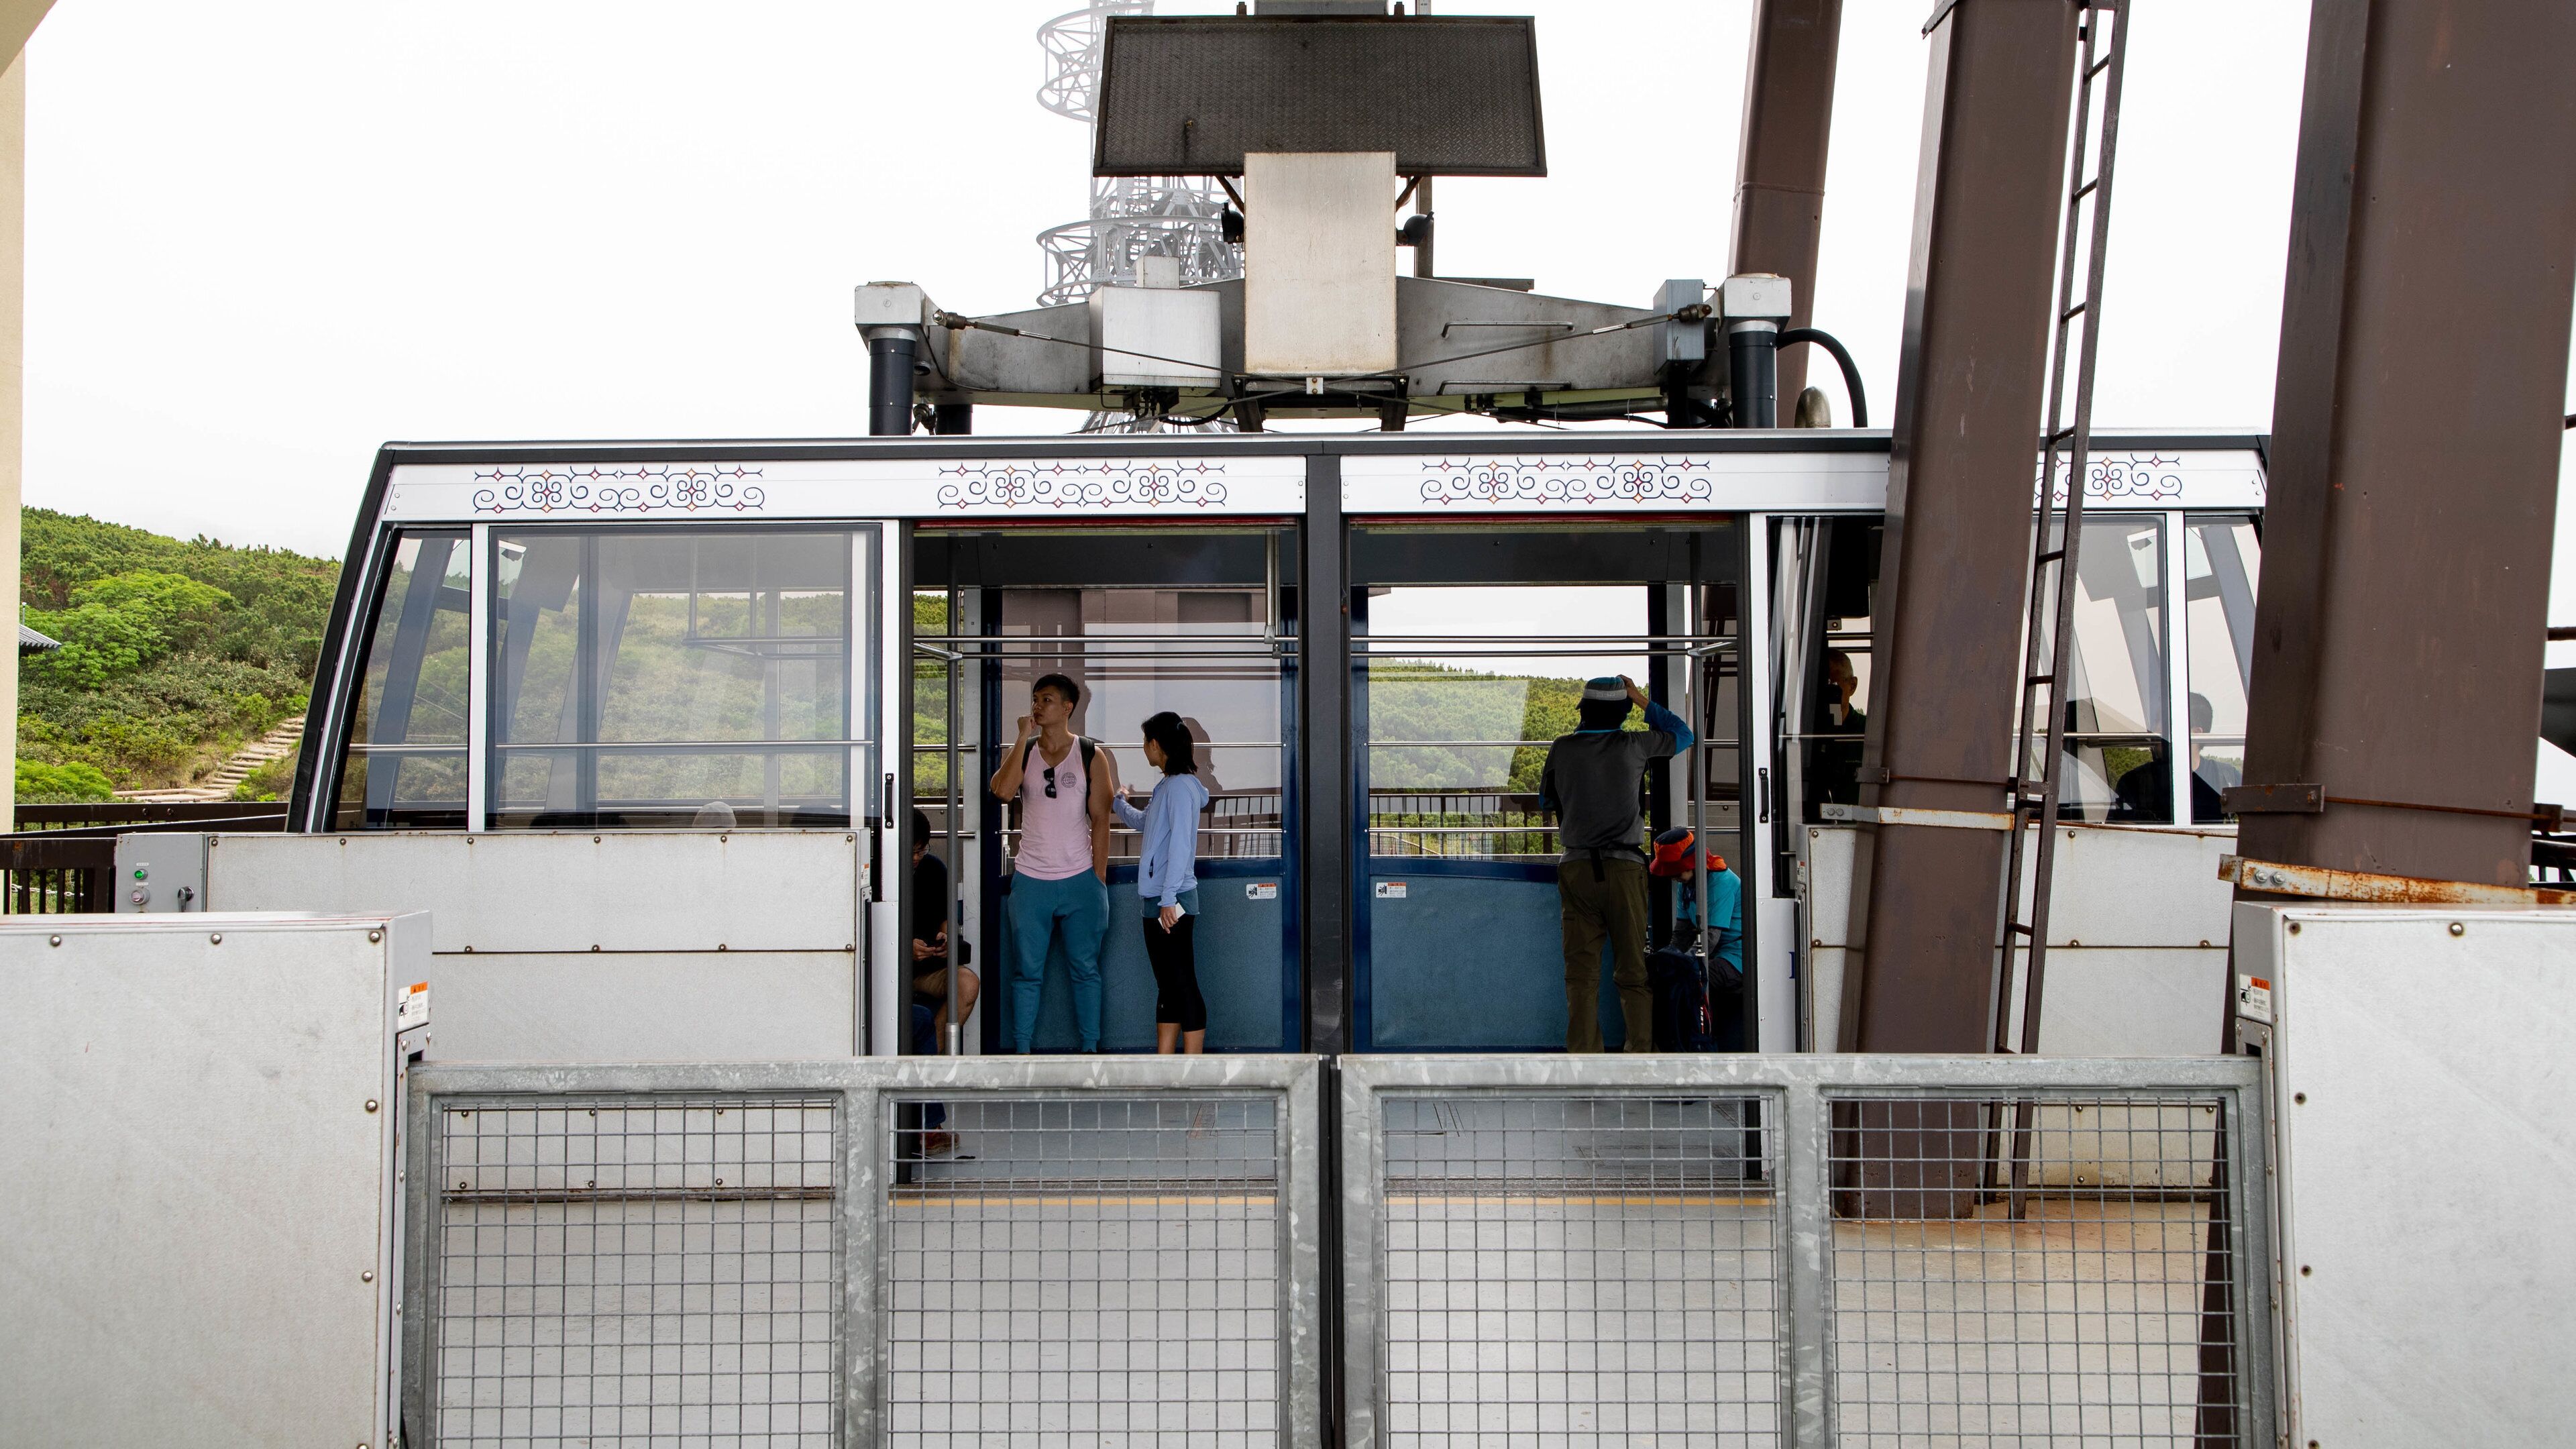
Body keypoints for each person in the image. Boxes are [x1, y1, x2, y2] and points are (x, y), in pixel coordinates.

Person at [1539, 675, 1694, 1053]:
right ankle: (1639, 1056)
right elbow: (1683, 734)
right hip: (1624, 869)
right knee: (1632, 972)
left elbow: (1546, 801)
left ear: (1585, 712)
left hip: (1575, 869)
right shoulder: (1635, 745)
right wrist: (1640, 698)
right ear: (1623, 712)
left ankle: (1583, 1064)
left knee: (1581, 976)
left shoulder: (1562, 748)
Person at [987, 672, 1116, 1053]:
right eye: (1035, 700)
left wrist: (1098, 879)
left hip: (1080, 878)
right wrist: (1020, 739)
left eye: (1047, 700)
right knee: (1026, 972)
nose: (1038, 706)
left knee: (1086, 970)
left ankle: (1090, 1049)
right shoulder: (1024, 752)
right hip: (1030, 878)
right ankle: (1022, 1050)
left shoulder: (1091, 753)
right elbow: (1003, 792)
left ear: (1067, 708)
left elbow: (1102, 818)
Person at [1112, 711, 1212, 1054]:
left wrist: (1169, 898)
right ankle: (1165, 1064)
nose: (1144, 749)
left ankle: (1193, 1066)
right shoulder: (1167, 787)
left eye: (1145, 743)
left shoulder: (1181, 787)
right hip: (1157, 899)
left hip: (1173, 899)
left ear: (1156, 745)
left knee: (1182, 983)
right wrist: (1120, 804)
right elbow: (1148, 826)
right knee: (1167, 985)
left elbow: (1183, 844)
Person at [908, 808, 979, 1049]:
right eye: (912, 851)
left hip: (927, 971)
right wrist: (903, 949)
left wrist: (948, 939)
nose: (917, 857)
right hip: (888, 970)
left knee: (967, 983)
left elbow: (947, 922)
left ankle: (932, 1059)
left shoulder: (934, 870)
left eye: (922, 850)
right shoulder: (880, 870)